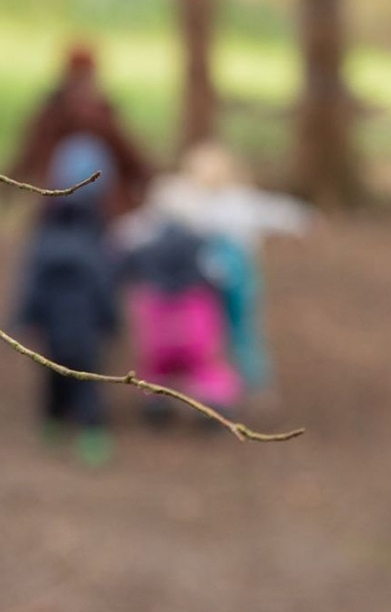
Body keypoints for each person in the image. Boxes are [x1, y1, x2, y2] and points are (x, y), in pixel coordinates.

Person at [142, 142, 313, 394]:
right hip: (214, 279)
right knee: (223, 330)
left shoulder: (231, 200)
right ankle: (228, 383)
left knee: (235, 330)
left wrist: (303, 220)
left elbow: (277, 212)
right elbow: (155, 217)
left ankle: (246, 382)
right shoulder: (194, 200)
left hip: (230, 277)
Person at [13, 139, 120, 467]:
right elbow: (104, 284)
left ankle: (53, 422)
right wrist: (110, 320)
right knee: (87, 378)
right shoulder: (97, 237)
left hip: (54, 321)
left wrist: (25, 317)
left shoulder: (45, 233)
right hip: (85, 322)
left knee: (53, 373)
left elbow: (32, 281)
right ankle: (92, 433)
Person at [119, 182, 242, 419]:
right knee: (205, 367)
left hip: (156, 325)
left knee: (156, 368)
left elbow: (123, 269)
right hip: (193, 322)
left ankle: (155, 403)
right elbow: (220, 276)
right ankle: (212, 404)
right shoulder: (201, 245)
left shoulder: (145, 247)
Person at [9, 44, 152, 219]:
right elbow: (28, 157)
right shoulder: (53, 114)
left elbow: (133, 159)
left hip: (103, 207)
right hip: (57, 205)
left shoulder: (102, 113)